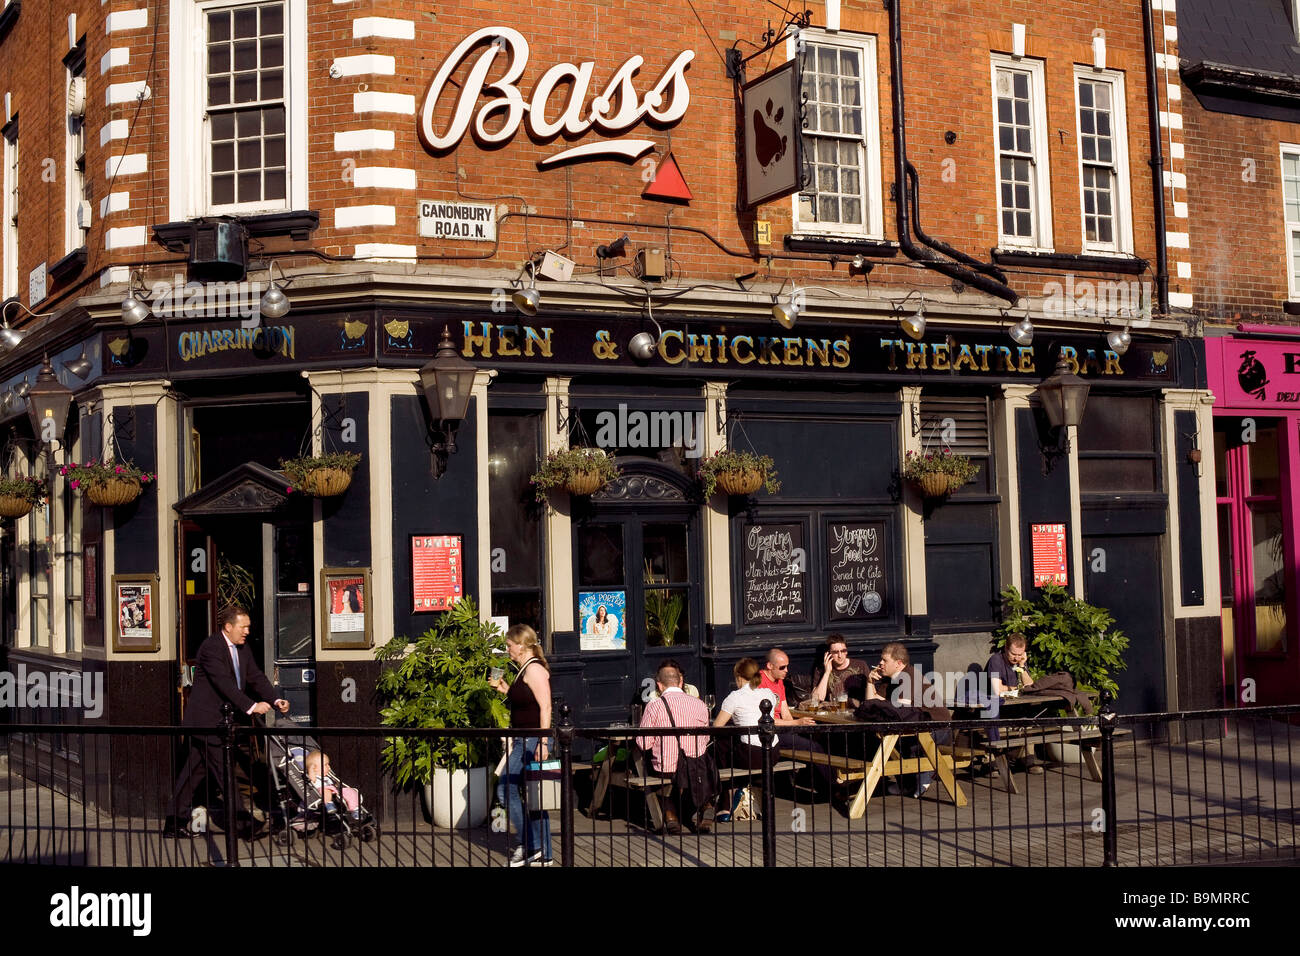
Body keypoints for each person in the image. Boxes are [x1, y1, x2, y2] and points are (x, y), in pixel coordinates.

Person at [164, 605, 290, 838]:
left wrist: (274, 700)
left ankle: (174, 822)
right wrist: (252, 707)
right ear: (228, 626)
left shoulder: (242, 648)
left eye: (249, 627)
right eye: (243, 627)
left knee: (194, 772)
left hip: (218, 723)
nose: (247, 632)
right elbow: (224, 684)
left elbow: (255, 677)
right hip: (206, 722)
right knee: (225, 773)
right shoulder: (211, 648)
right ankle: (244, 826)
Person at [490, 624, 554, 867]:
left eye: (509, 646)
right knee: (537, 796)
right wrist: (504, 689)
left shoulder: (534, 669)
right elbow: (525, 702)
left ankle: (530, 845)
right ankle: (543, 853)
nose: (507, 650)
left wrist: (544, 741)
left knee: (505, 788)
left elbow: (545, 706)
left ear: (522, 645)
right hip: (524, 738)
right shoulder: (523, 669)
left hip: (531, 739)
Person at [636, 660, 714, 833]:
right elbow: (706, 737)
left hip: (668, 767)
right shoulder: (700, 704)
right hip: (696, 764)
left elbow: (643, 743)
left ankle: (670, 815)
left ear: (659, 685)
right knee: (695, 766)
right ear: (680, 682)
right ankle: (705, 804)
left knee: (652, 765)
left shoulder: (654, 705)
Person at [810, 634, 871, 707]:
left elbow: (871, 696)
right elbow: (816, 699)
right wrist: (827, 672)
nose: (840, 655)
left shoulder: (861, 665)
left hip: (858, 710)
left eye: (843, 651)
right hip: (833, 712)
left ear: (846, 651)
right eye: (835, 652)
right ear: (829, 654)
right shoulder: (820, 669)